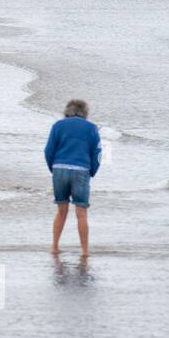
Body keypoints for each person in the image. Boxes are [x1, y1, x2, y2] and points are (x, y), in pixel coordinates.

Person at [44, 99, 101, 257]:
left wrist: (53, 168)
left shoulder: (58, 126)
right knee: (81, 213)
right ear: (85, 112)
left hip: (59, 169)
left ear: (67, 111)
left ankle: (54, 247)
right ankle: (84, 251)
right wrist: (91, 172)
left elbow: (48, 150)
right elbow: (97, 154)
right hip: (81, 170)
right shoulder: (91, 128)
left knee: (61, 211)